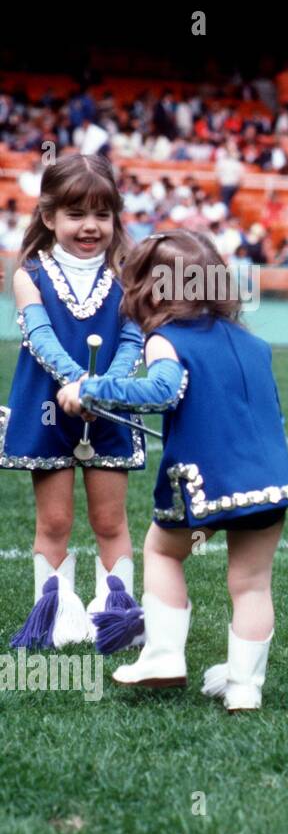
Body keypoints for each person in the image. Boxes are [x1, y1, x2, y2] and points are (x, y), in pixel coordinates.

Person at [62, 230, 288, 711]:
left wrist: (90, 390)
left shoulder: (166, 339)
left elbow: (162, 392)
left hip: (203, 482)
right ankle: (244, 686)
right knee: (252, 583)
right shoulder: (254, 344)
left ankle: (162, 656)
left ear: (152, 289)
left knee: (161, 551)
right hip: (271, 484)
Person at [3, 154, 146, 651]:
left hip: (110, 406)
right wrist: (77, 384)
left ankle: (119, 615)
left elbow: (133, 340)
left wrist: (103, 388)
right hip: (48, 406)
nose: (90, 227)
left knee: (110, 520)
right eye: (76, 214)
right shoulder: (29, 274)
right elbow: (40, 338)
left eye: (102, 215)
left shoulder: (129, 274)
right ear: (48, 217)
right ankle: (56, 613)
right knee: (55, 521)